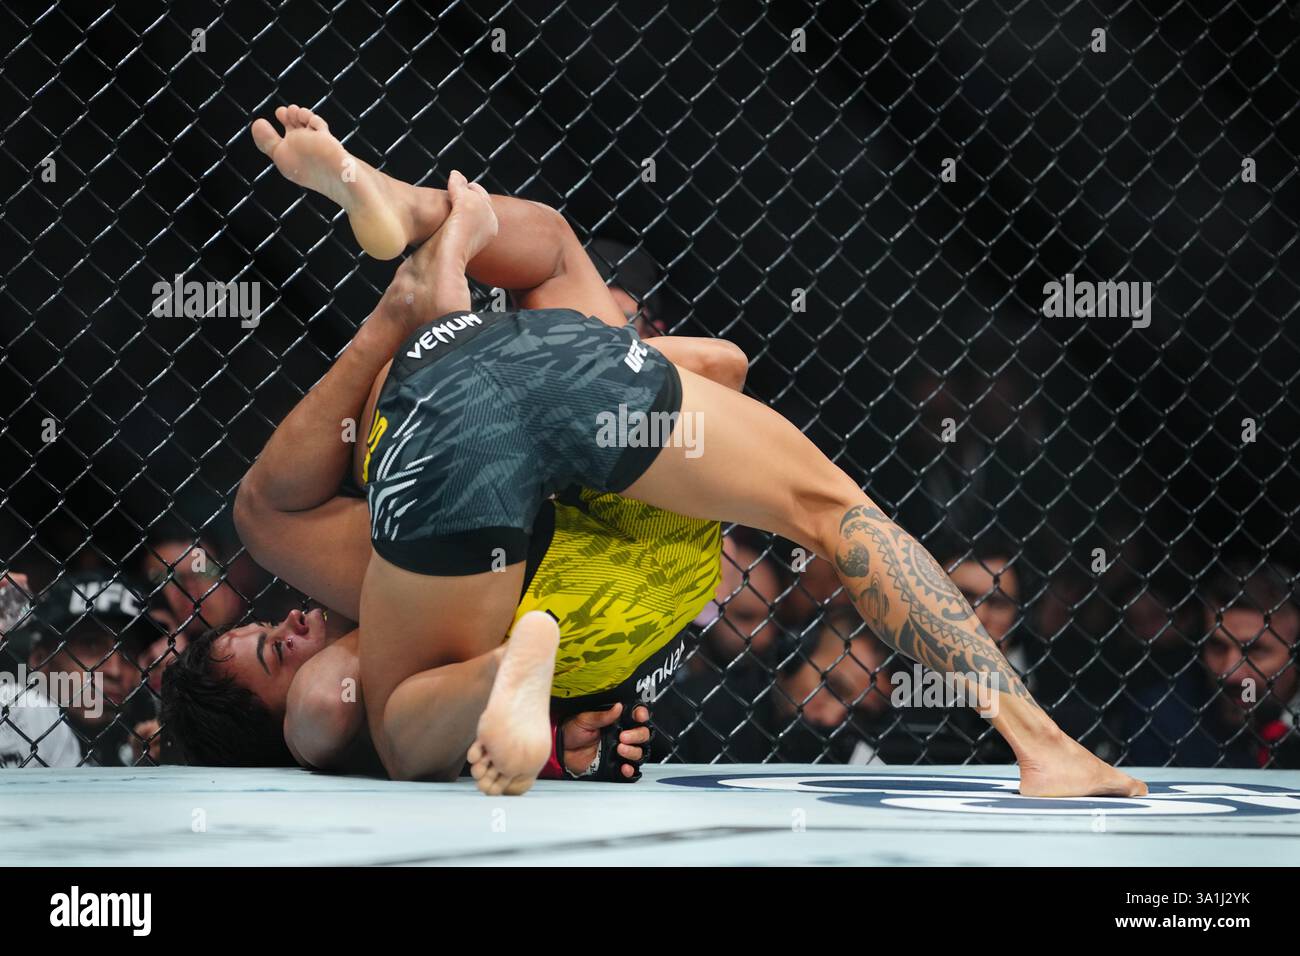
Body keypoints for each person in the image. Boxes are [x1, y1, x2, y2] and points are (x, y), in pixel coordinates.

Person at [250, 105, 1145, 800]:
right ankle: (1045, 746)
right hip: (576, 390)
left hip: (461, 425)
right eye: (269, 650)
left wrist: (407, 328)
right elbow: (724, 364)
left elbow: (322, 648)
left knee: (410, 737)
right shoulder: (664, 583)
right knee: (839, 513)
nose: (293, 633)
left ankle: (499, 663)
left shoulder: (364, 585)